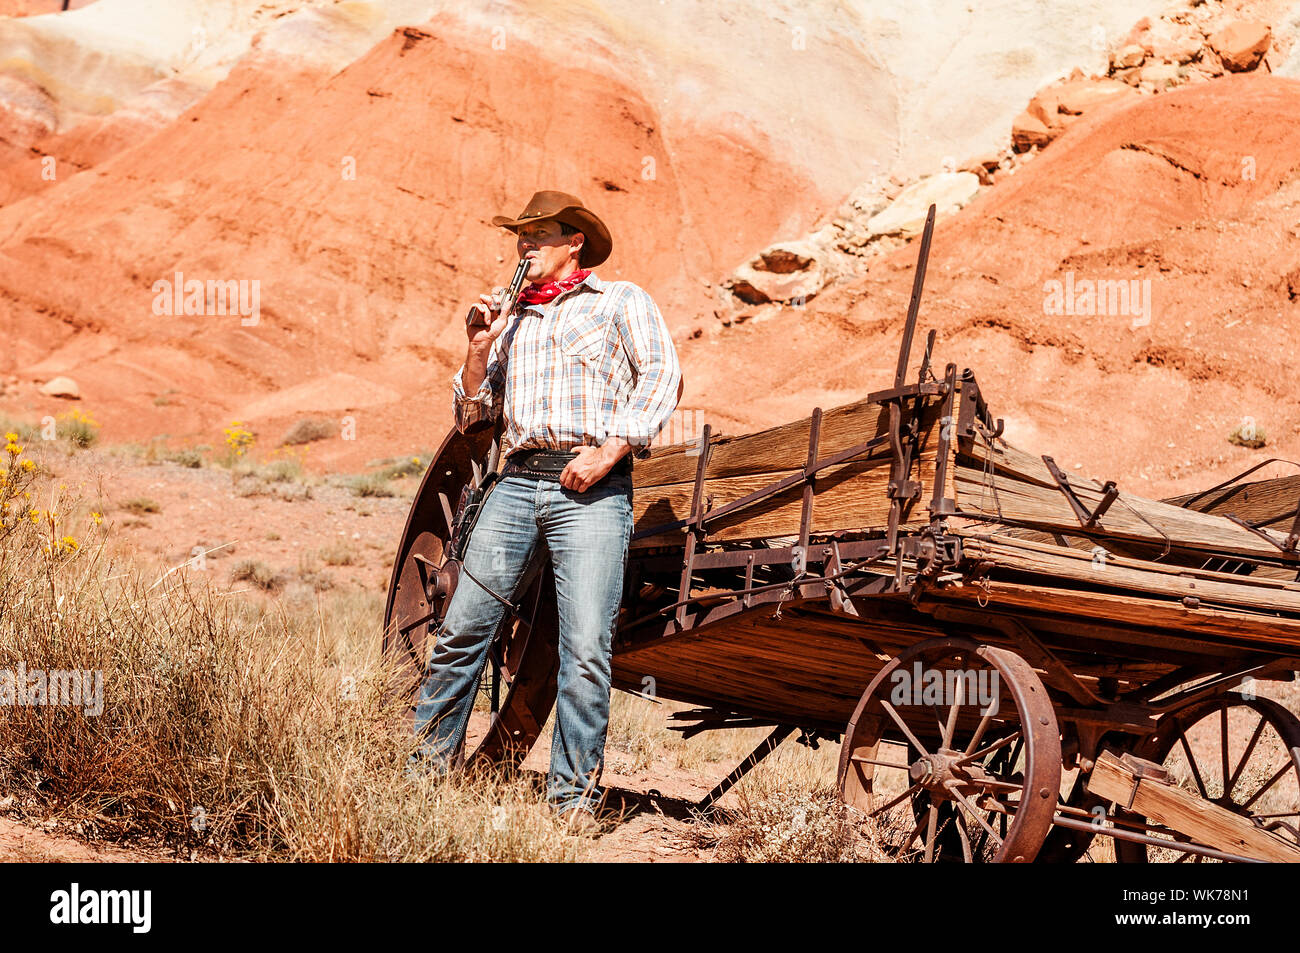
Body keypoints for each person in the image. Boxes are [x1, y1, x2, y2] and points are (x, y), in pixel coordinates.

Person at [411, 190, 681, 830]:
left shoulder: (621, 301)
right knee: (462, 634)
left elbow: (663, 375)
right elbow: (473, 419)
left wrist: (611, 450)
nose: (524, 247)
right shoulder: (514, 323)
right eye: (519, 238)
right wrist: (478, 348)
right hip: (515, 481)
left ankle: (570, 806)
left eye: (538, 235)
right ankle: (423, 781)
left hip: (589, 488)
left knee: (585, 648)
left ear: (573, 243)